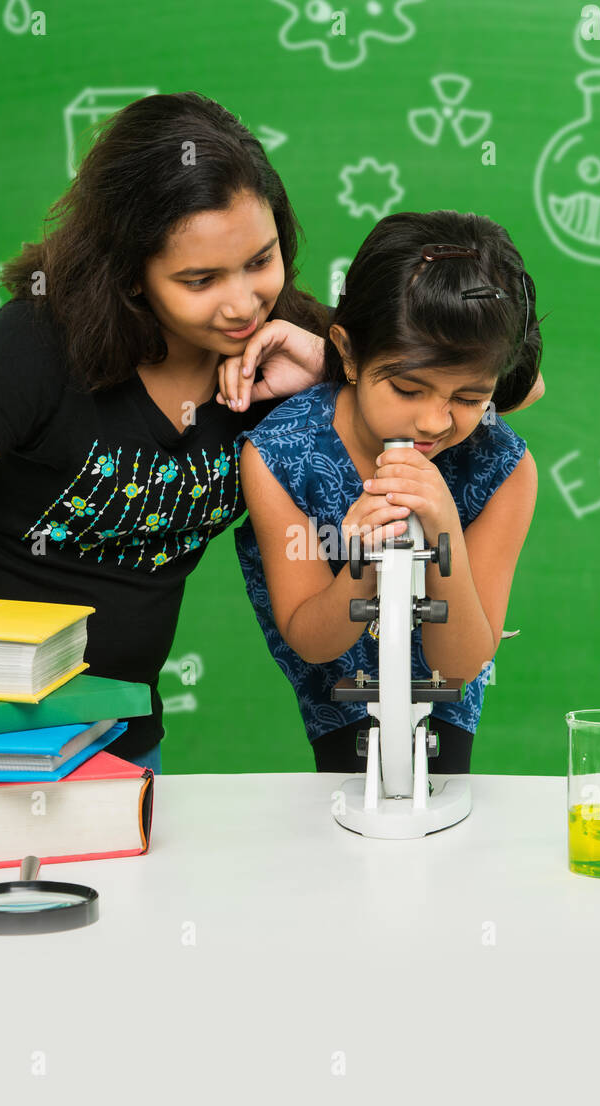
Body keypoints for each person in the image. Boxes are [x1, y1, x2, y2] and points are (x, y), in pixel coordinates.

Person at [0, 92, 336, 772]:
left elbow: (502, 378)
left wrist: (331, 363)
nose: (241, 302)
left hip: (117, 735)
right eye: (199, 279)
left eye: (261, 259)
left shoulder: (281, 341)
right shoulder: (35, 344)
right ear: (130, 275)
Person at [232, 211, 544, 775]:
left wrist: (443, 529)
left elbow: (462, 664)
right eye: (407, 387)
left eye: (470, 398)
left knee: (440, 798)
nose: (433, 420)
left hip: (446, 707)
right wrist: (361, 566)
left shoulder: (504, 469)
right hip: (337, 698)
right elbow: (310, 639)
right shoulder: (279, 456)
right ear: (348, 354)